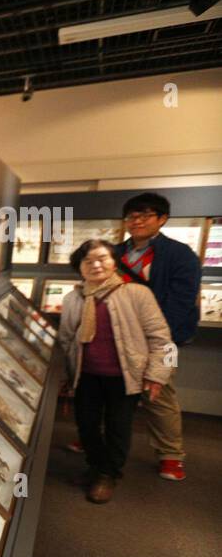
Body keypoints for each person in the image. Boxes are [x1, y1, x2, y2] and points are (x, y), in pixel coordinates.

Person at [58, 239, 173, 504]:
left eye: (102, 258)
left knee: (117, 427)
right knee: (86, 426)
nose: (96, 265)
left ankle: (108, 474)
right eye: (88, 261)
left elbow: (161, 338)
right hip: (86, 375)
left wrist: (157, 375)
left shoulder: (137, 294)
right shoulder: (74, 297)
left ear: (114, 262)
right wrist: (67, 374)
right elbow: (66, 339)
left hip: (124, 376)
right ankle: (96, 466)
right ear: (80, 268)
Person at [112, 193, 201, 480]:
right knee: (109, 391)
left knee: (160, 394)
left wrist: (162, 341)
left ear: (162, 219)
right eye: (131, 217)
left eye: (145, 215)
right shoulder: (113, 253)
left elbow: (182, 302)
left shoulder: (180, 254)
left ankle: (171, 454)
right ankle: (100, 438)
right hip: (118, 335)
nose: (136, 221)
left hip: (165, 339)